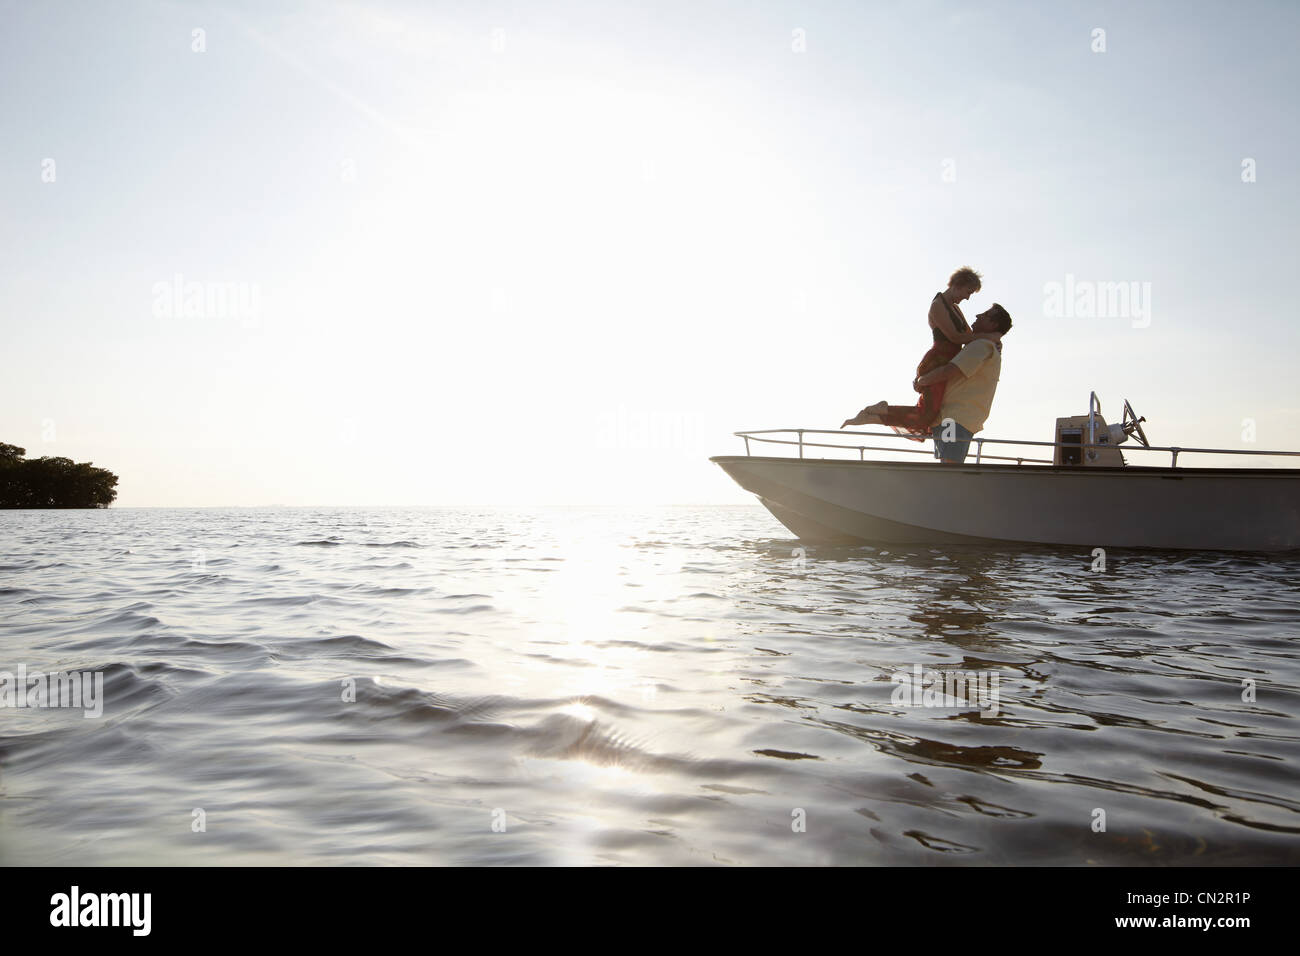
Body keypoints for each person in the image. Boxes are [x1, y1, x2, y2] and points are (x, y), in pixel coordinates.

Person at [841, 267, 1002, 435]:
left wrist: (993, 339)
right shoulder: (938, 305)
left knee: (930, 415)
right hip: (938, 360)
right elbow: (955, 337)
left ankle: (880, 413)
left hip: (949, 361)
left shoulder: (955, 309)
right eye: (967, 292)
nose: (967, 298)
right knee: (925, 416)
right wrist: (990, 336)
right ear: (958, 285)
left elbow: (970, 336)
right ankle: (879, 412)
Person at [918, 305, 1013, 463]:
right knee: (948, 465)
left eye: (985, 314)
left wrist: (922, 381)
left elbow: (950, 370)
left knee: (949, 467)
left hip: (955, 417)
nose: (978, 315)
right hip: (955, 418)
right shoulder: (984, 345)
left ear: (993, 325)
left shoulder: (982, 346)